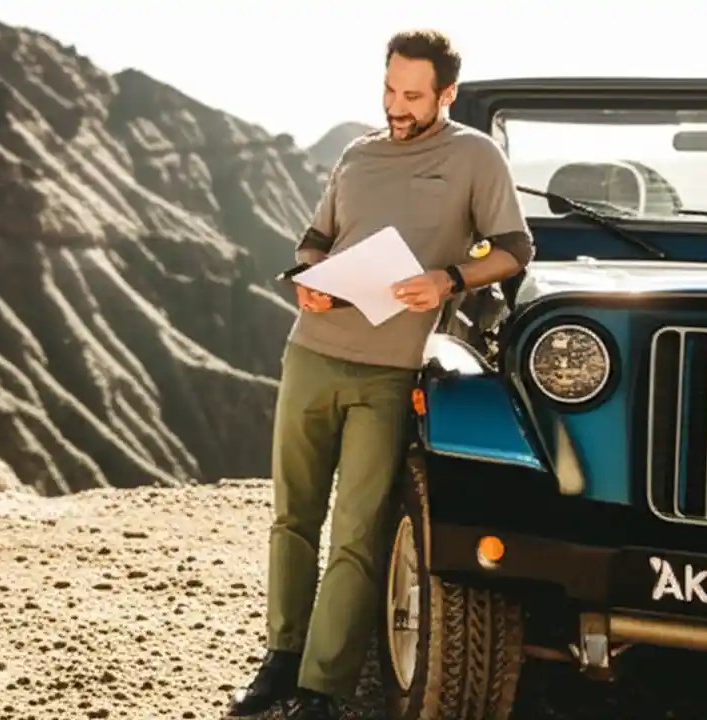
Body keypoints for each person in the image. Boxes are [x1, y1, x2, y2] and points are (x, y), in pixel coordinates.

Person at [224, 29, 534, 720]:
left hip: (388, 371)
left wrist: (448, 278)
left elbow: (515, 248)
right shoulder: (357, 155)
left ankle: (321, 687)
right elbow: (316, 240)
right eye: (390, 89)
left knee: (358, 531)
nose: (397, 105)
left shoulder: (474, 157)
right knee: (292, 517)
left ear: (446, 94)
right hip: (310, 352)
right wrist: (305, 277)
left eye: (413, 95)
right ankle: (280, 660)